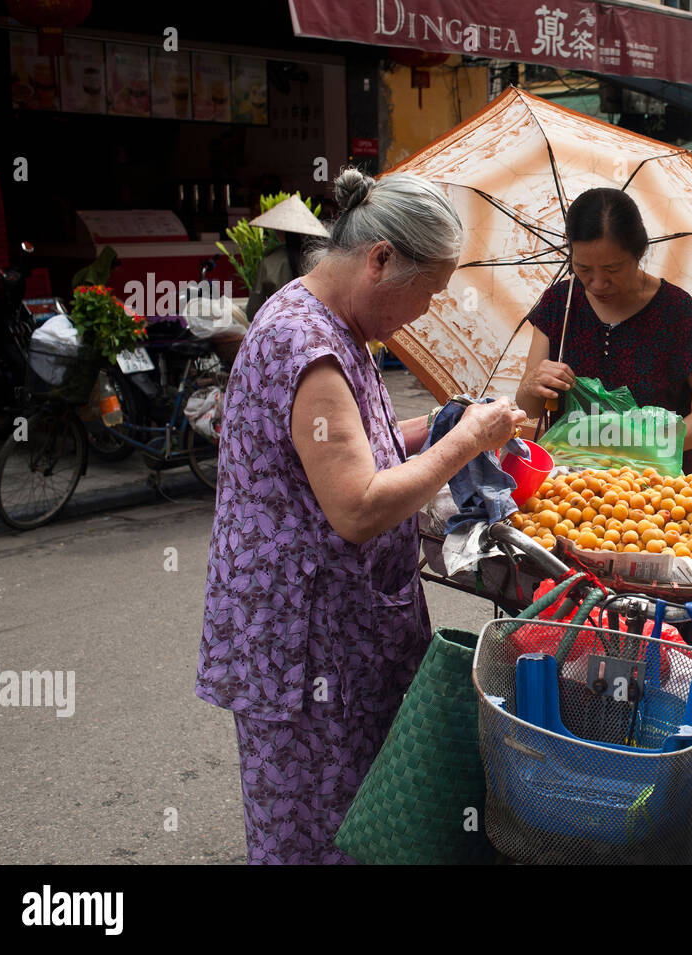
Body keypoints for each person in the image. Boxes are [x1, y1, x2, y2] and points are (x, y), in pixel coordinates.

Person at [195, 169, 528, 864]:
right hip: (304, 651)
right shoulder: (304, 342)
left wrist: (436, 427)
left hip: (339, 636)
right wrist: (467, 442)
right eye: (426, 292)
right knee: (322, 836)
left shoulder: (333, 324)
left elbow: (354, 446)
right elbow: (357, 505)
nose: (424, 311)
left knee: (367, 826)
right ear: (380, 259)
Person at [515, 187, 692, 474]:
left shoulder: (676, 311)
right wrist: (533, 383)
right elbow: (528, 407)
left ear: (639, 252)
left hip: (656, 487)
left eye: (612, 269)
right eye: (583, 268)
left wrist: (644, 446)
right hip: (573, 489)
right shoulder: (559, 304)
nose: (597, 283)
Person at [243, 195, 330, 320]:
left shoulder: (269, 262)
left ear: (279, 231)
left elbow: (253, 311)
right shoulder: (318, 260)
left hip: (277, 328)